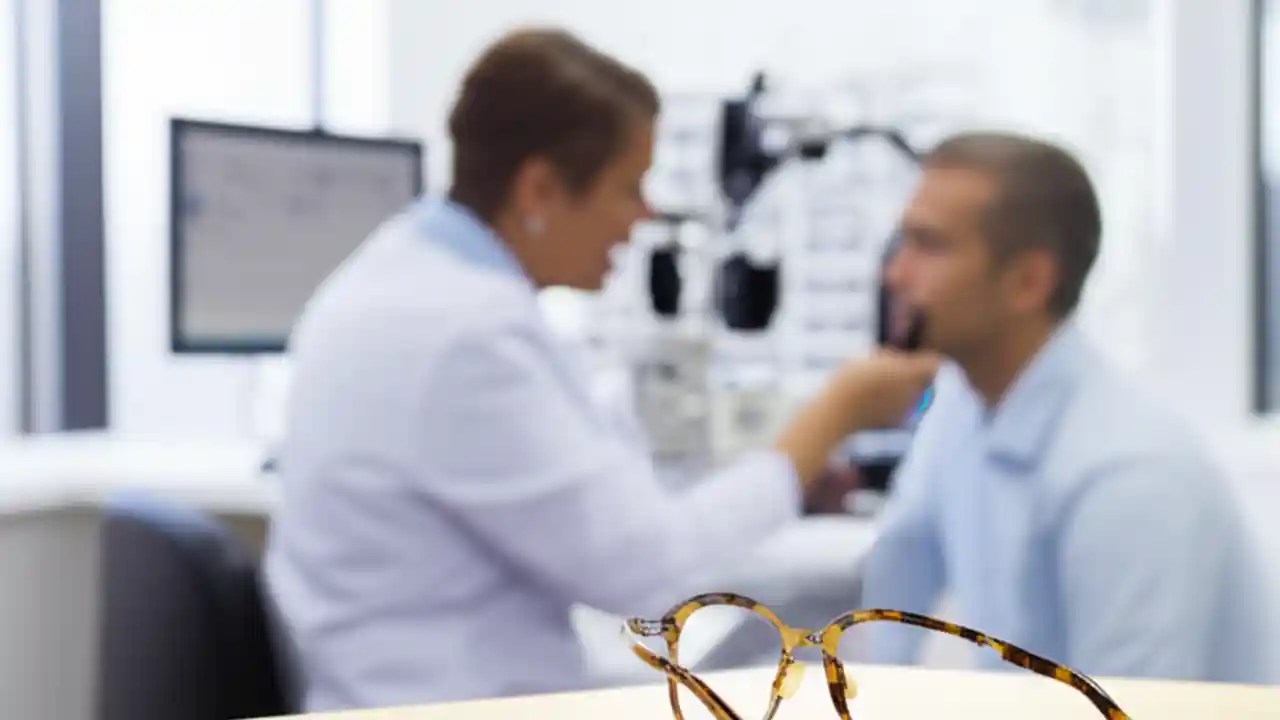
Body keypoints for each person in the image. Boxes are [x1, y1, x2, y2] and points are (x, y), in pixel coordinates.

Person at [263, 28, 938, 711]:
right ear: (540, 189)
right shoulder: (465, 335)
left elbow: (605, 512)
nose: (642, 217)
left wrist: (782, 477)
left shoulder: (403, 277)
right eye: (628, 187)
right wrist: (828, 420)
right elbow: (649, 570)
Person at [859, 132, 1272, 683]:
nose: (895, 275)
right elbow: (888, 624)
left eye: (928, 246)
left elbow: (1131, 711)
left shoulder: (1129, 475)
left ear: (1028, 282)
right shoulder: (962, 408)